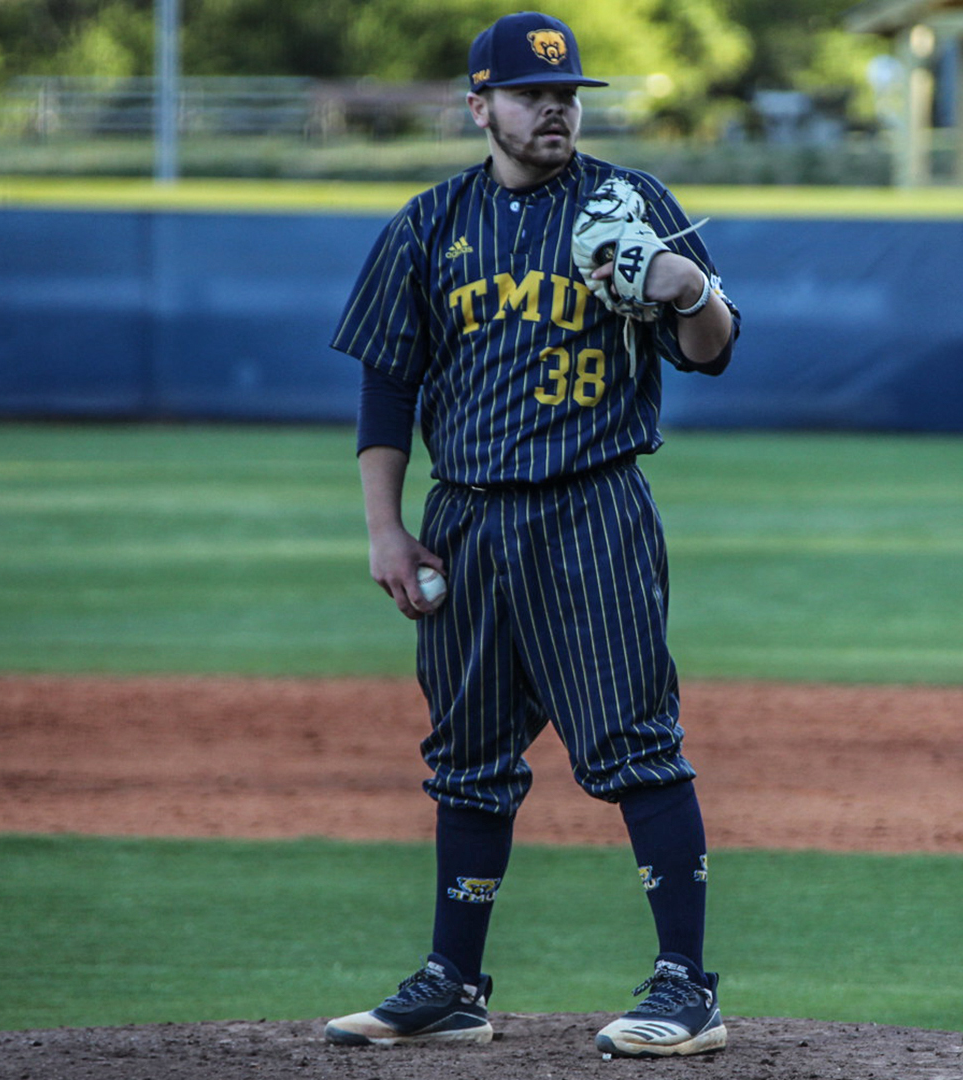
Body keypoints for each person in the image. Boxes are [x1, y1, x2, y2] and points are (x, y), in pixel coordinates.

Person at [322, 10, 739, 1062]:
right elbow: (388, 386)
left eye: (567, 94)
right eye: (531, 93)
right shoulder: (429, 224)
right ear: (481, 107)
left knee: (634, 745)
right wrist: (386, 529)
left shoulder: (629, 202)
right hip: (464, 520)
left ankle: (687, 988)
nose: (555, 109)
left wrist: (690, 290)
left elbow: (713, 349)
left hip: (590, 507)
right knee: (466, 756)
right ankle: (453, 981)